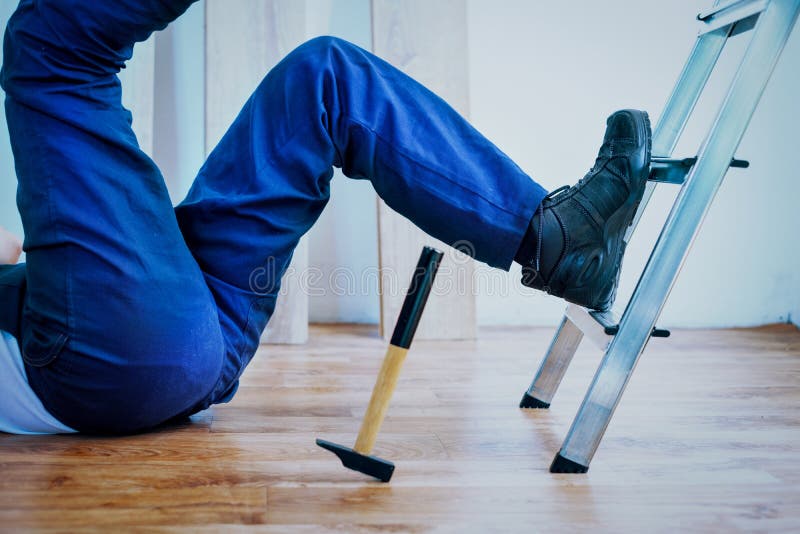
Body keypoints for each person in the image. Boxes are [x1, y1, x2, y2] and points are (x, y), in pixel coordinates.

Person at [0, 0, 650, 435]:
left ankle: (560, 244)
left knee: (324, 79)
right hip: (108, 359)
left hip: (192, 330)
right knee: (47, 52)